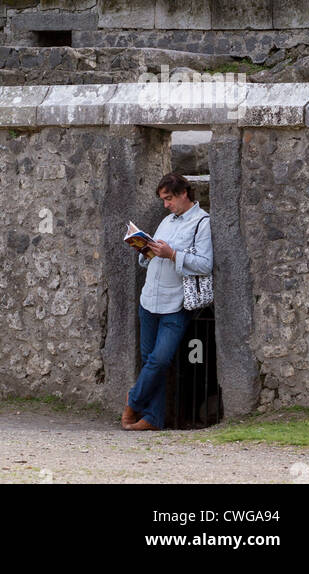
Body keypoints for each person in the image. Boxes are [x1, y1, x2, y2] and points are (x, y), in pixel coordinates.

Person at [122, 172, 213, 432]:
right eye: (163, 200)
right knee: (149, 359)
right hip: (149, 299)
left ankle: (133, 401)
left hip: (177, 302)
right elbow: (153, 256)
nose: (166, 205)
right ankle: (152, 418)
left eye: (169, 198)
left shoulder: (201, 223)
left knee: (160, 360)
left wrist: (172, 254)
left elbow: (206, 264)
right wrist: (145, 249)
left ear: (184, 193)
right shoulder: (166, 221)